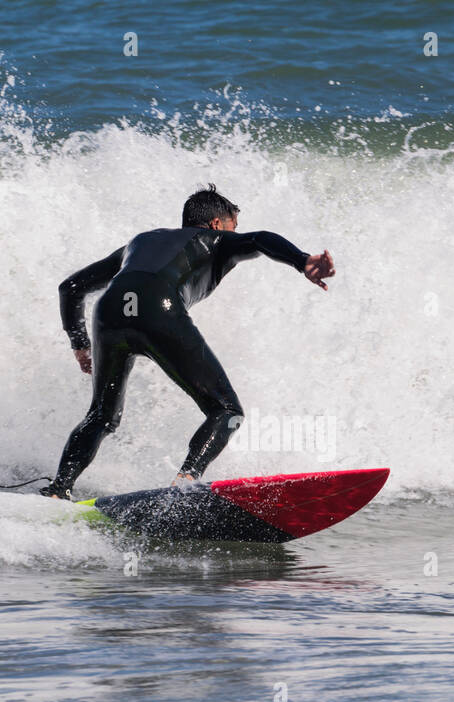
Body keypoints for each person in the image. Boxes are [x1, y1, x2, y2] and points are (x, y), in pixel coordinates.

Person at [41, 184, 335, 499]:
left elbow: (70, 287)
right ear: (216, 224)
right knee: (226, 410)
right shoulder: (216, 240)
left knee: (101, 415)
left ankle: (59, 489)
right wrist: (302, 260)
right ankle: (185, 483)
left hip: (109, 313)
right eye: (234, 227)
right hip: (158, 307)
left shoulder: (141, 242)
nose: (236, 235)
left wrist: (80, 343)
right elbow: (261, 239)